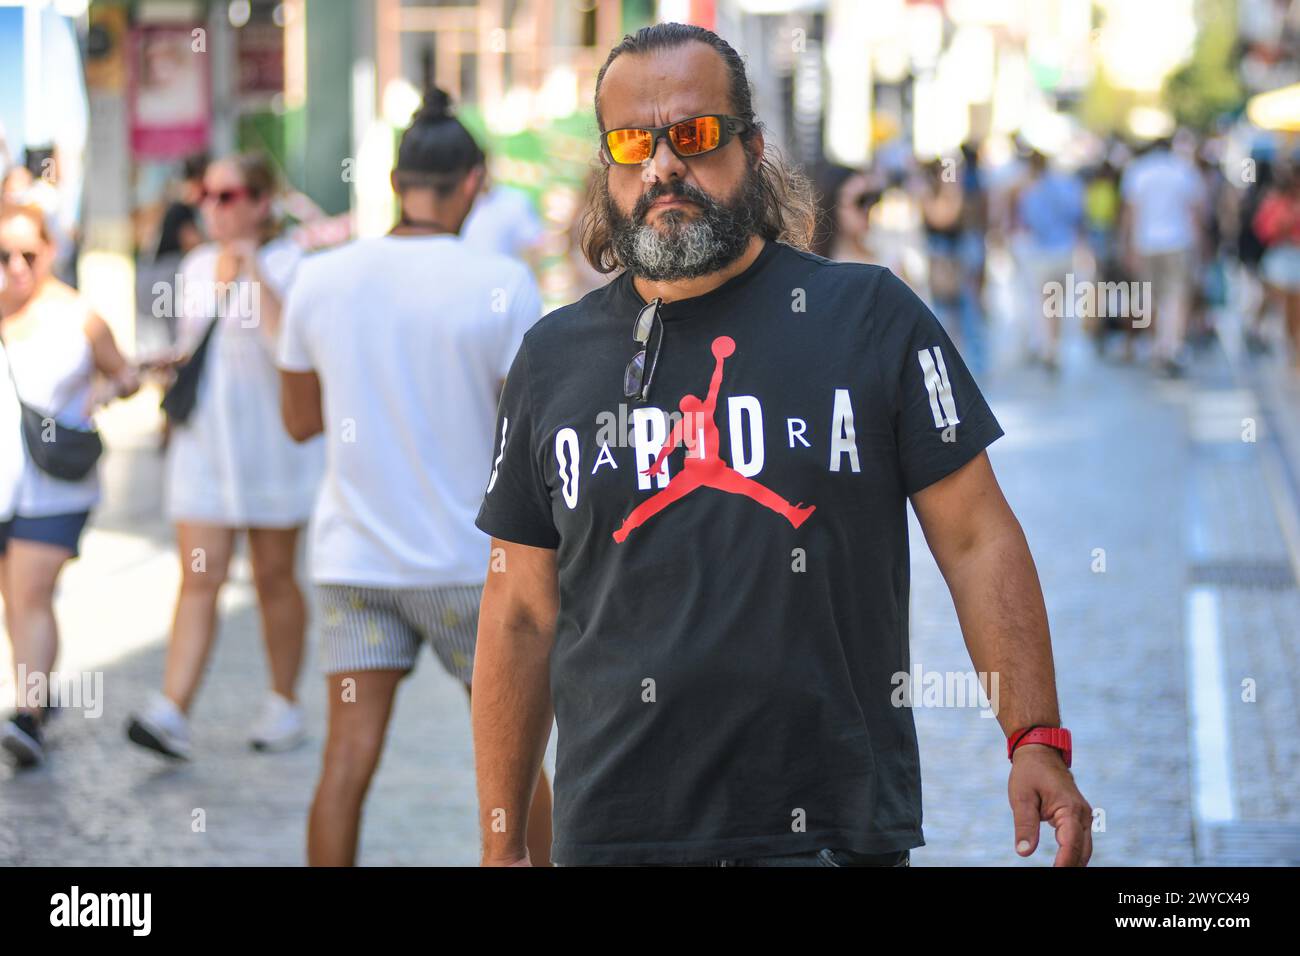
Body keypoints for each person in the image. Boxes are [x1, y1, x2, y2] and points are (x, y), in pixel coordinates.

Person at [473, 22, 1092, 868]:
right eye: (632, 143)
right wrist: (503, 841)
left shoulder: (871, 318)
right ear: (607, 165)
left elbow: (977, 538)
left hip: (831, 831)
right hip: (618, 833)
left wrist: (1035, 736)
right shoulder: (552, 359)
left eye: (694, 135)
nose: (663, 166)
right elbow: (518, 613)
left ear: (753, 147)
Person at [277, 89, 553, 867]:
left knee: (345, 763)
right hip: (471, 567)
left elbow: (299, 421)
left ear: (397, 182)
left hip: (355, 562)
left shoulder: (319, 278)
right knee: (518, 764)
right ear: (473, 184)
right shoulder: (501, 282)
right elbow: (525, 433)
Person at [125, 153, 323, 761]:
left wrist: (250, 266)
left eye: (227, 196)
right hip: (206, 443)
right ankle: (172, 708)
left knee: (273, 577)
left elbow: (287, 344)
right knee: (200, 576)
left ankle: (284, 701)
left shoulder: (292, 263)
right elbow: (198, 346)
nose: (211, 207)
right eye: (205, 195)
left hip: (269, 446)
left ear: (261, 203)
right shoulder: (193, 266)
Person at [0, 204, 139, 766]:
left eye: (27, 254)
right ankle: (37, 687)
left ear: (50, 251)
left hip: (56, 484)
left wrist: (104, 395)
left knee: (31, 591)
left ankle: (28, 714)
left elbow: (124, 373)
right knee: (13, 597)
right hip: (4, 483)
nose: (15, 267)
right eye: (3, 256)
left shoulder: (80, 316)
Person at [1119, 137, 1205, 376]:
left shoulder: (1138, 171)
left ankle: (1158, 345)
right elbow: (1195, 212)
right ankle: (1172, 345)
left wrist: (1127, 245)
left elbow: (1131, 213)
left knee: (1151, 297)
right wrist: (1200, 245)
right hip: (1178, 241)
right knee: (1176, 296)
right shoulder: (1183, 170)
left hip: (1146, 243)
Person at [1012, 149, 1083, 374]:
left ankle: (1049, 347)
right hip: (1064, 251)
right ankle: (1054, 346)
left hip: (1041, 253)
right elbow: (1077, 213)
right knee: (1057, 303)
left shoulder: (1030, 192)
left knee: (1045, 304)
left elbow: (1029, 222)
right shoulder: (1066, 186)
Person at [1253, 163, 1300, 369]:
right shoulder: (1276, 201)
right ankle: (1291, 345)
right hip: (1282, 256)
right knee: (1285, 303)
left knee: (1294, 307)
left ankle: (1293, 346)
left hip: (1293, 256)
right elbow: (1265, 229)